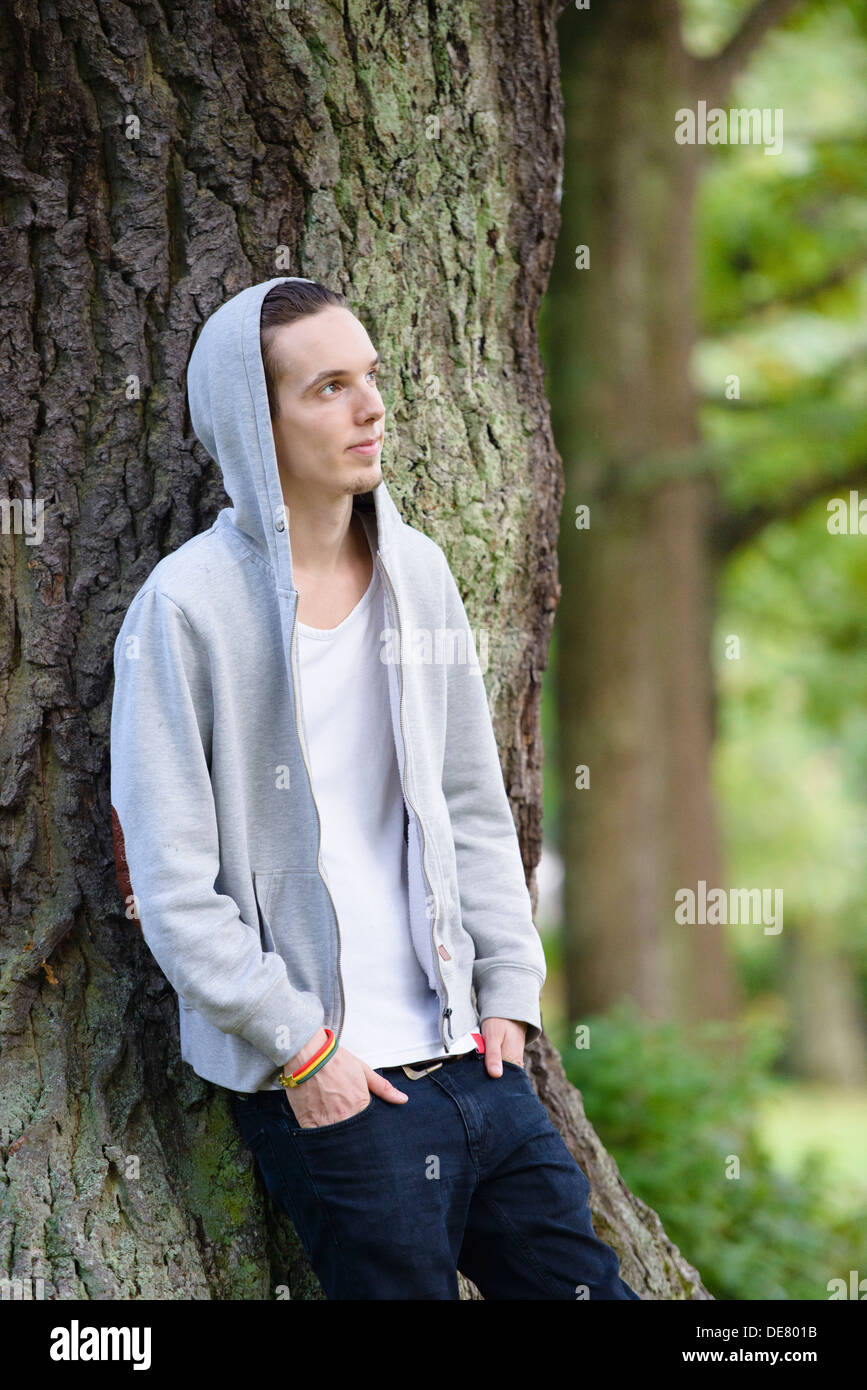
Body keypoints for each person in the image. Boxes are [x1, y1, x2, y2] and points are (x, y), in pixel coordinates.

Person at [110, 275, 640, 1302]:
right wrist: (306, 1053)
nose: (371, 408)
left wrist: (510, 1001)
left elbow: (474, 808)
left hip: (476, 1060)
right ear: (255, 424)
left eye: (375, 378)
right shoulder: (184, 610)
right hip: (340, 1086)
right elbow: (173, 887)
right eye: (330, 387)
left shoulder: (420, 574)